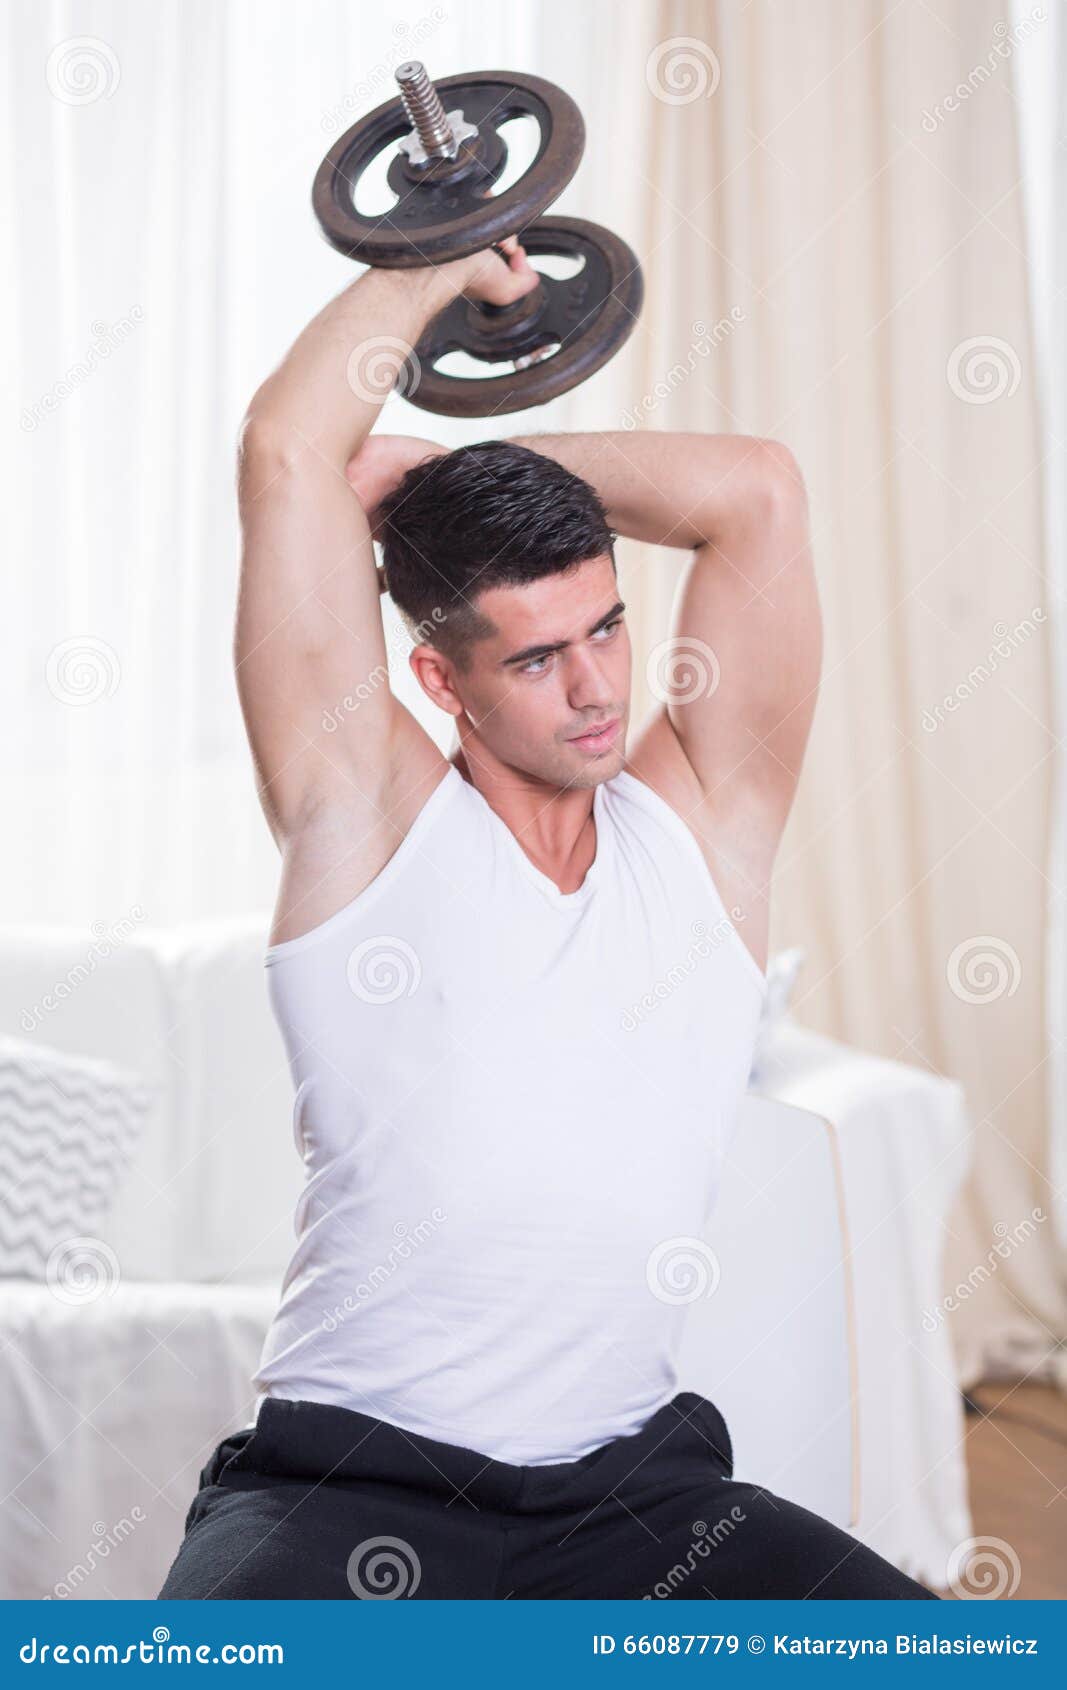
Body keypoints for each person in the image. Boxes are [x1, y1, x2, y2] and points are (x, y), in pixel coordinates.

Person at [159, 238, 937, 1600]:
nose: (594, 689)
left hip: (636, 1499)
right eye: (533, 656)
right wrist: (443, 256)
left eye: (607, 630)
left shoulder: (704, 833)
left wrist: (469, 474)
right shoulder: (370, 823)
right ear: (440, 680)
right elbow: (289, 451)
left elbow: (757, 491)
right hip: (348, 1489)